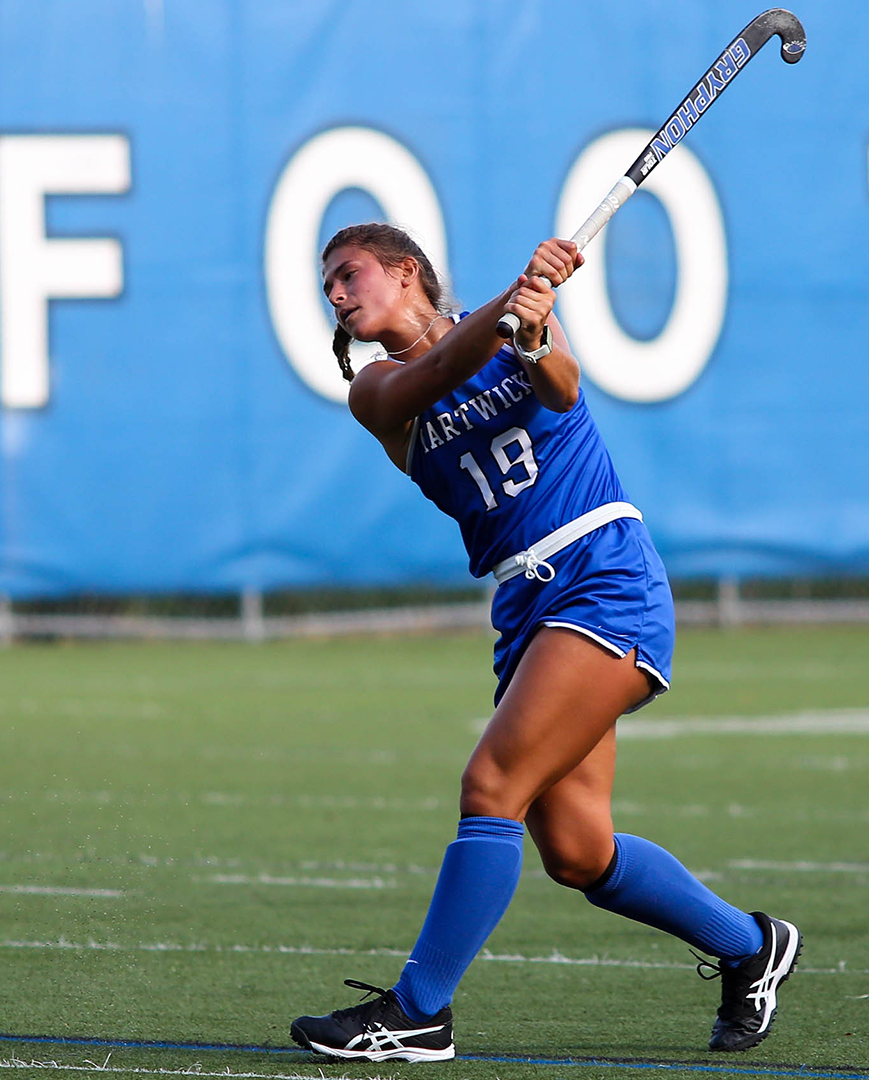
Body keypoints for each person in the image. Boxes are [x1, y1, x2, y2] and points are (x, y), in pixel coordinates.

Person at [288, 223, 800, 1062]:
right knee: (578, 851)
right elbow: (435, 370)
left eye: (349, 276)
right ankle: (751, 945)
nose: (336, 296)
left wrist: (531, 332)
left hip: (602, 573)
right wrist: (515, 299)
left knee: (491, 785)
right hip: (525, 608)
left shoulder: (518, 329)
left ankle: (420, 1013)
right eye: (329, 288)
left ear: (405, 270)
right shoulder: (377, 390)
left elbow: (561, 390)